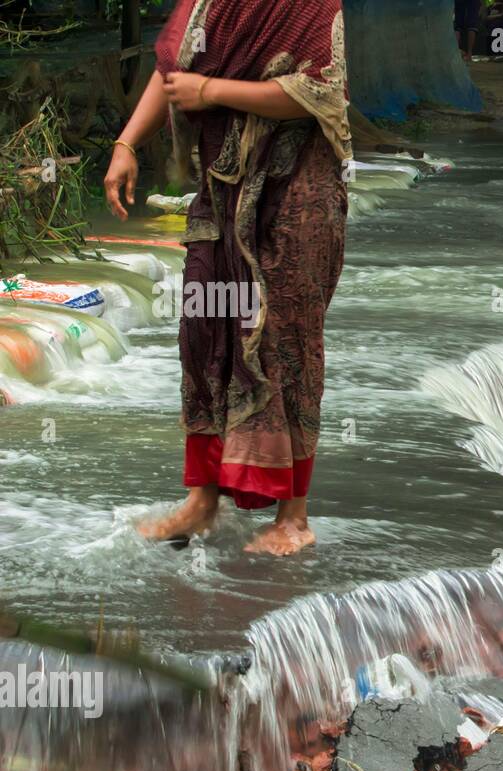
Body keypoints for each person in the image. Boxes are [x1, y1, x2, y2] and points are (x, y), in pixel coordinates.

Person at [103, 0, 351, 556]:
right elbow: (174, 75)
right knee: (203, 334)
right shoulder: (204, 3)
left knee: (285, 342)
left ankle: (294, 517)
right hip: (222, 187)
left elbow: (316, 92)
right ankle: (202, 502)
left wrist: (211, 92)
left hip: (297, 188)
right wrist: (125, 144)